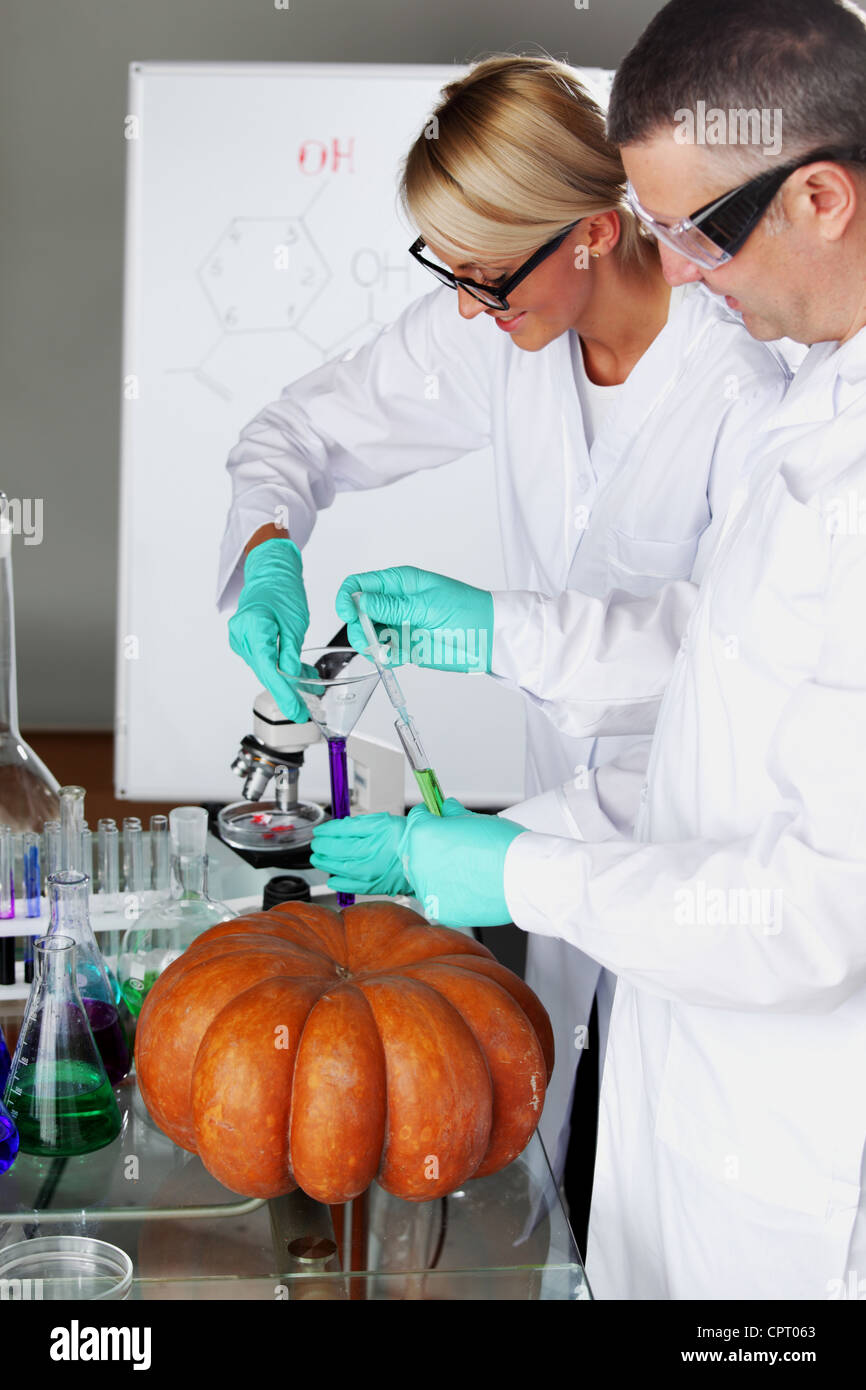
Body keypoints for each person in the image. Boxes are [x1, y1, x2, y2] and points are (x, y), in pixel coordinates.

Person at [314, 0, 866, 1300]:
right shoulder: (821, 393)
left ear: (824, 199)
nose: (672, 273)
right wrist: (513, 729)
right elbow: (728, 682)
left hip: (791, 1150)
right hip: (690, 1094)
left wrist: (531, 872)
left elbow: (807, 911)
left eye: (696, 231)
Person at [218, 54, 789, 1228]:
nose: (468, 309)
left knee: (681, 1194)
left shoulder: (746, 380)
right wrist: (269, 547)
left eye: (486, 279)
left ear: (589, 231)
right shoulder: (500, 329)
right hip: (552, 842)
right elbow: (298, 431)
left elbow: (734, 647)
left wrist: (501, 633)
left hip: (709, 855)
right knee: (569, 1162)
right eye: (452, 277)